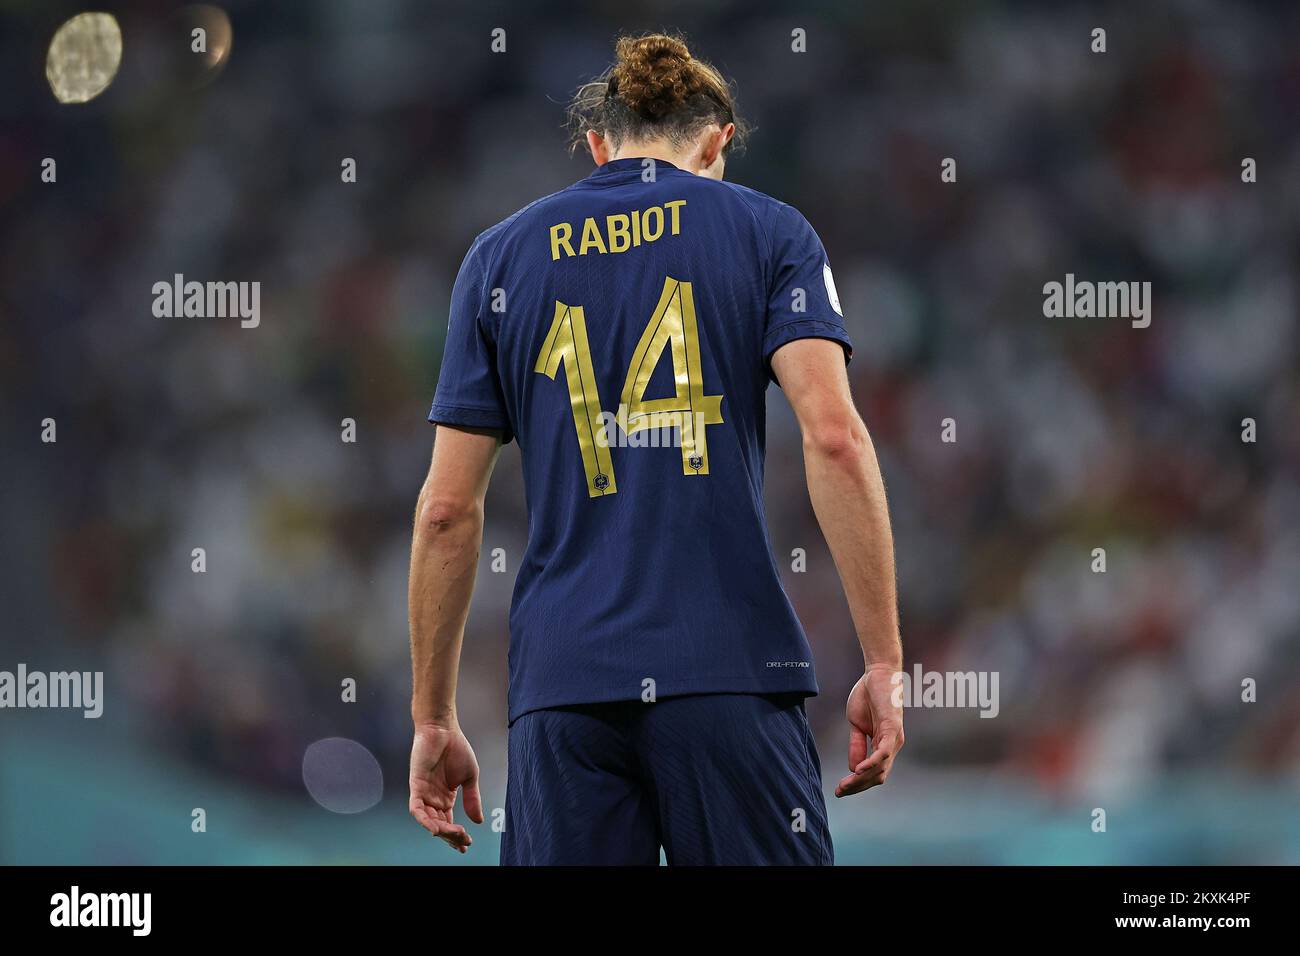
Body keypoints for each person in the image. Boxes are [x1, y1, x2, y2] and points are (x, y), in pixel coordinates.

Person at [408, 32, 903, 865]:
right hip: (729, 670)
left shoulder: (497, 258)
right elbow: (835, 437)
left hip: (563, 694)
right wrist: (884, 661)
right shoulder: (767, 231)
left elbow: (447, 511)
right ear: (717, 145)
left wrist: (433, 716)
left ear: (598, 144)